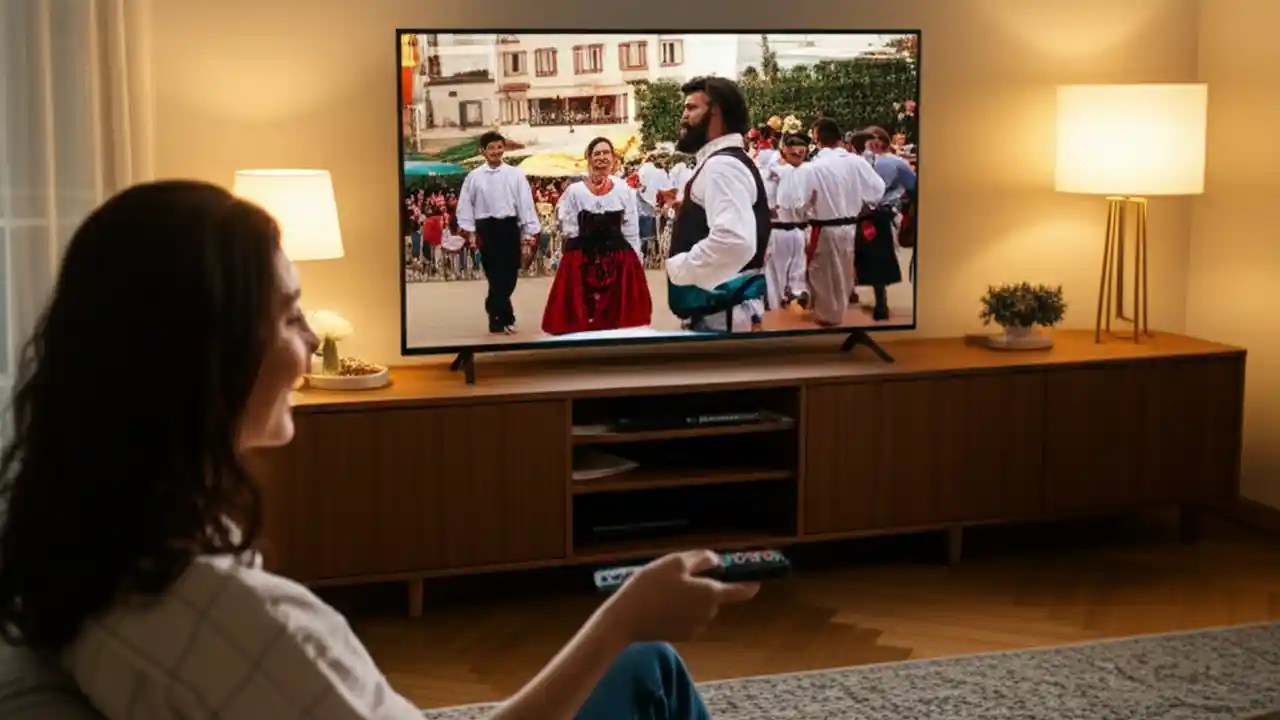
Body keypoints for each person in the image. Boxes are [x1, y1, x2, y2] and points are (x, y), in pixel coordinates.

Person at [0, 181, 760, 719]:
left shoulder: (83, 539)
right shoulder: (242, 621)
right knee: (647, 663)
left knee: (643, 665)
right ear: (210, 353)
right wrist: (623, 616)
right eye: (291, 315)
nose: (308, 343)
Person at [665, 76, 771, 333]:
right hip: (722, 309)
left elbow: (734, 240)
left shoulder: (722, 166)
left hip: (721, 312)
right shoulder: (724, 162)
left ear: (715, 112)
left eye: (691, 108)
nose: (684, 116)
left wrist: (681, 269)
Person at [542, 137, 653, 336]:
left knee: (618, 311)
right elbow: (569, 225)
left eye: (606, 153)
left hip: (617, 256)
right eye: (597, 153)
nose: (602, 158)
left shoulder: (624, 189)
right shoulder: (574, 191)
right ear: (589, 158)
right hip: (583, 256)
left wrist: (635, 258)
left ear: (614, 158)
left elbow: (631, 225)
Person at [801, 118, 885, 326]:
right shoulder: (855, 162)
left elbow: (802, 201)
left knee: (823, 272)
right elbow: (877, 189)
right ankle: (836, 312)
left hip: (825, 226)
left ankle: (829, 317)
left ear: (817, 138)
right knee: (844, 270)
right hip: (849, 225)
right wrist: (862, 203)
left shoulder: (814, 167)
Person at [455, 131, 541, 334]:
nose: (496, 151)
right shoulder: (473, 177)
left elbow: (525, 203)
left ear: (504, 148)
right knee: (493, 273)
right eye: (491, 148)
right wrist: (470, 231)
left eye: (499, 147)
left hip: (509, 226)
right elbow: (466, 204)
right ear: (482, 151)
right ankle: (501, 318)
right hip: (486, 227)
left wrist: (529, 230)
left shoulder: (515, 174)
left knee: (510, 273)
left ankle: (493, 307)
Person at [856, 125, 916, 320]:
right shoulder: (897, 163)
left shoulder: (857, 162)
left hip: (858, 214)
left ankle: (851, 294)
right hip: (883, 213)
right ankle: (881, 304)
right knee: (879, 259)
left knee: (855, 256)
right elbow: (914, 187)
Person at [762, 132, 811, 311]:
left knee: (797, 276)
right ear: (784, 152)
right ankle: (778, 310)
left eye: (802, 154)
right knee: (777, 278)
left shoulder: (805, 171)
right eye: (794, 154)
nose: (798, 157)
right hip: (779, 230)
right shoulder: (772, 172)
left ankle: (792, 305)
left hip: (799, 230)